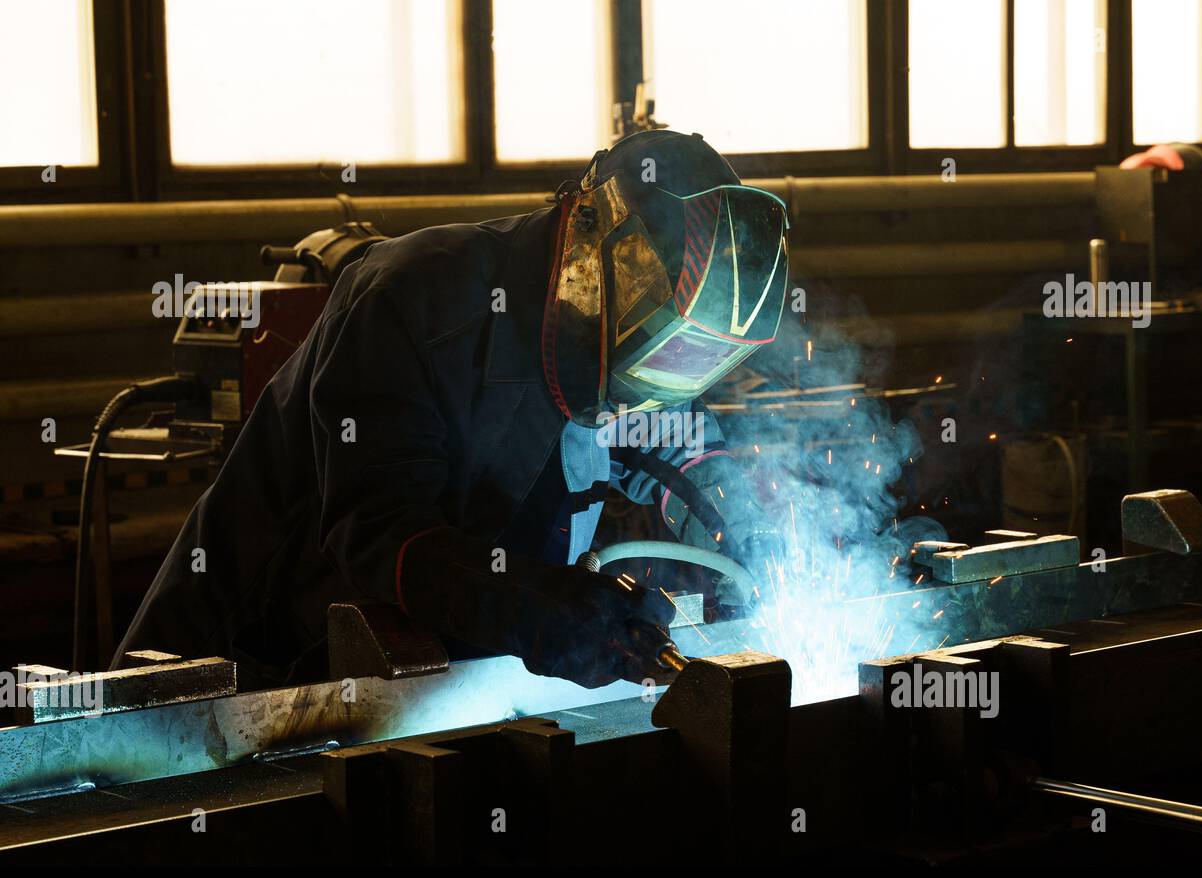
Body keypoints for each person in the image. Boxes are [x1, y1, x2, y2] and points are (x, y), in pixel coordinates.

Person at [113, 130, 790, 689]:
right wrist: (543, 610)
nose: (646, 391)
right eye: (649, 359)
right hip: (240, 682)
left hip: (425, 687)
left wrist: (732, 507)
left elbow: (666, 432)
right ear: (593, 246)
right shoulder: (414, 299)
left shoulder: (620, 339)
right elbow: (381, 537)